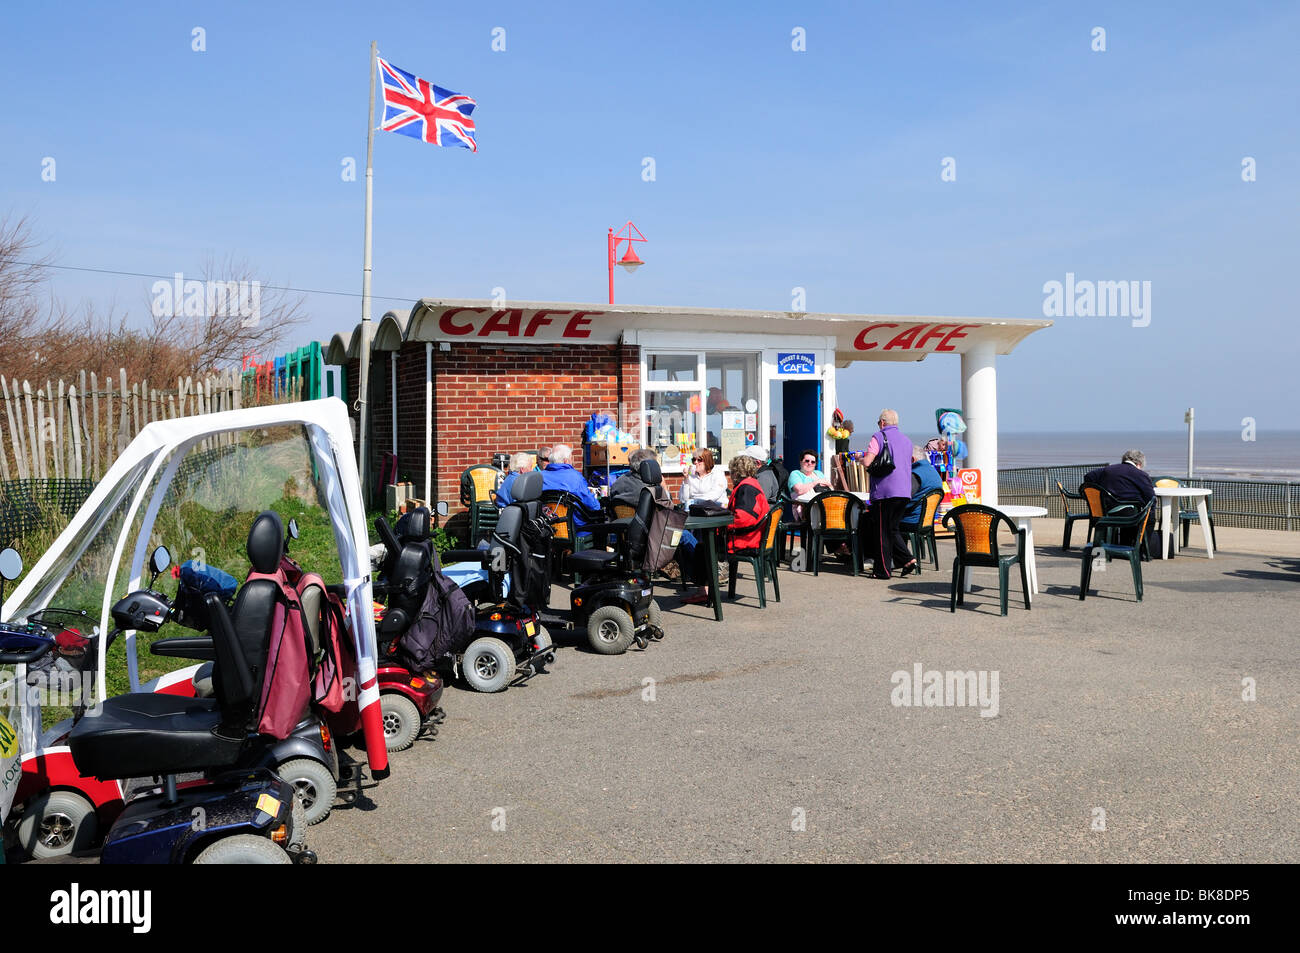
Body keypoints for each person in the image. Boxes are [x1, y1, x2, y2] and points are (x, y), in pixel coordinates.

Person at [683, 455, 770, 604]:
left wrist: (722, 525)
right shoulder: (752, 484)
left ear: (736, 472)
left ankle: (704, 590)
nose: (730, 475)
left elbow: (744, 518)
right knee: (703, 545)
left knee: (701, 547)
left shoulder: (746, 488)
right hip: (753, 537)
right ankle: (706, 588)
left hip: (743, 541)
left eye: (731, 471)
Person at [860, 409, 917, 579]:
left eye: (879, 422)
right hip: (904, 492)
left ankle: (882, 571)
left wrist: (860, 459)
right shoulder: (907, 441)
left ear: (883, 423)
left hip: (885, 492)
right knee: (892, 529)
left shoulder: (878, 436)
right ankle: (908, 559)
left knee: (881, 532)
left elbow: (868, 461)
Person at [1084, 450, 1156, 547]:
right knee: (1150, 518)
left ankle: (1121, 544)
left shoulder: (1107, 469)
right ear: (1139, 463)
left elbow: (1088, 477)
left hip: (1105, 510)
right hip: (1128, 513)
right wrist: (1151, 512)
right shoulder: (1140, 474)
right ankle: (1142, 551)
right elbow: (1150, 497)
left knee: (1132, 511)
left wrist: (1101, 489)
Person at [541, 443, 602, 529]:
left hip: (547, 529)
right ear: (566, 461)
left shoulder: (539, 477)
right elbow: (593, 506)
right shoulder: (575, 477)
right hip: (574, 530)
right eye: (571, 458)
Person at [904, 447, 943, 524]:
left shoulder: (915, 474)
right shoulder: (933, 472)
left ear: (912, 459)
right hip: (928, 521)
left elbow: (903, 499)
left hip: (911, 520)